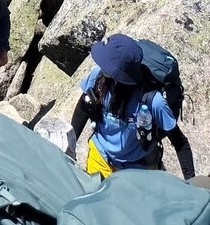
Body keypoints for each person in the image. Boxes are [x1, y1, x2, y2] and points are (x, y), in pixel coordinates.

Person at [70, 32, 195, 178]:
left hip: (138, 168)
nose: (100, 65)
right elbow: (83, 108)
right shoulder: (98, 77)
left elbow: (180, 143)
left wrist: (191, 182)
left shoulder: (153, 100)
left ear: (118, 72)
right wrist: (69, 147)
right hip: (101, 157)